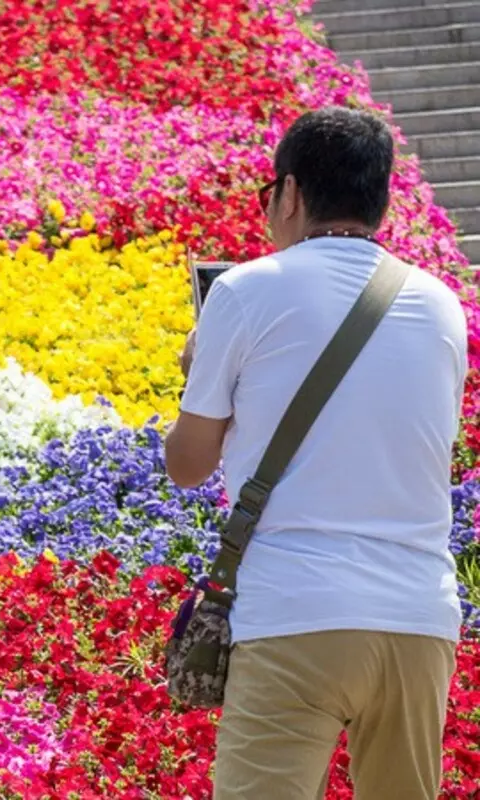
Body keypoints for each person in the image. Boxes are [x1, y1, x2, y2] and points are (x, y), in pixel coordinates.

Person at [165, 105, 465, 799]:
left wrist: (197, 371)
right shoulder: (441, 302)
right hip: (418, 616)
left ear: (290, 193)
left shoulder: (243, 291)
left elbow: (188, 466)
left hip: (295, 611)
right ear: (381, 198)